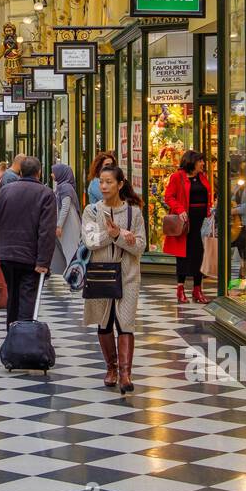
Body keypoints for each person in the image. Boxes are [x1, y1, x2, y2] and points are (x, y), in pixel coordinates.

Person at [82, 165, 146, 395]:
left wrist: (119, 235)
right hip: (101, 273)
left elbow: (140, 246)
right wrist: (113, 235)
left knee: (126, 322)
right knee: (105, 322)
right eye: (101, 181)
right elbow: (89, 240)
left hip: (128, 274)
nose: (104, 186)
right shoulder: (91, 211)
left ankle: (126, 373)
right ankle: (111, 367)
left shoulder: (134, 213)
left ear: (120, 184)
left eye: (109, 182)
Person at [0, 156, 57, 327]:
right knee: (27, 298)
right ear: (39, 172)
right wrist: (43, 261)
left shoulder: (5, 191)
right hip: (30, 257)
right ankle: (24, 340)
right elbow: (46, 231)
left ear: (20, 171)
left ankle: (12, 335)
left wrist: (3, 240)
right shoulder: (46, 194)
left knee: (13, 297)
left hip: (7, 256)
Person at [163, 149, 212, 304]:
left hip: (201, 221)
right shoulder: (177, 177)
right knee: (183, 255)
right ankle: (180, 288)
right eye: (200, 161)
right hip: (185, 222)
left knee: (200, 254)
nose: (203, 164)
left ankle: (197, 289)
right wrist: (180, 210)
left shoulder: (202, 177)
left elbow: (208, 196)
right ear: (192, 162)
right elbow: (169, 197)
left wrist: (210, 210)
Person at [51, 162, 82, 274]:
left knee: (70, 249)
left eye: (54, 172)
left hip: (68, 224)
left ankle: (74, 275)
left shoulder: (65, 187)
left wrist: (59, 225)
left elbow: (65, 206)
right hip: (67, 223)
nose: (51, 174)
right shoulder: (63, 186)